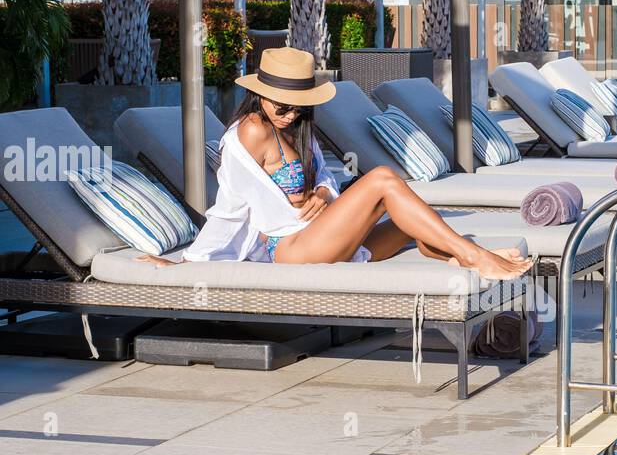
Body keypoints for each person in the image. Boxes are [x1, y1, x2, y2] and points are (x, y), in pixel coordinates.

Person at [146, 47, 532, 281]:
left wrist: (325, 191)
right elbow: (231, 207)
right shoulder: (249, 132)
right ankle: (474, 255)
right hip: (292, 249)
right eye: (281, 103)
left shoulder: (298, 128)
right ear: (260, 96)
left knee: (410, 221)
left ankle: (456, 254)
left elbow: (328, 175)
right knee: (383, 179)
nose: (289, 111)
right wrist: (188, 263)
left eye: (298, 103)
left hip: (322, 238)